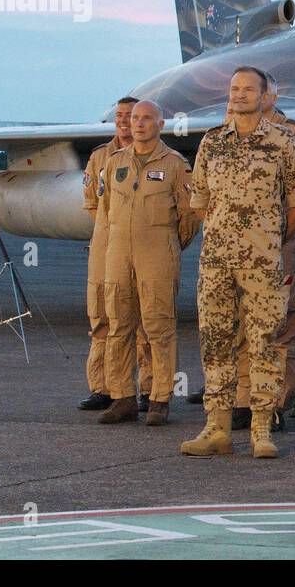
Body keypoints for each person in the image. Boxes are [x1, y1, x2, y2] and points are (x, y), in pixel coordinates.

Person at [180, 67, 295, 459]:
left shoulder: (283, 141)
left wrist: (269, 238)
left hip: (263, 263)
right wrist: (228, 236)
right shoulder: (212, 142)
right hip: (216, 263)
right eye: (234, 88)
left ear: (265, 95)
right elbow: (201, 204)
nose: (238, 95)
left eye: (248, 89)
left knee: (265, 343)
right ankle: (217, 428)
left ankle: (260, 430)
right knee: (215, 342)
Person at [96, 101, 199, 426]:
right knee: (118, 326)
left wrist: (166, 246)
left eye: (146, 119)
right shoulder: (114, 163)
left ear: (160, 124)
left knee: (158, 327)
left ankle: (158, 399)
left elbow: (188, 217)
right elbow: (107, 208)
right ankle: (122, 397)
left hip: (157, 254)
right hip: (118, 254)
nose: (138, 124)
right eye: (134, 118)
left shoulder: (175, 165)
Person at [79, 97, 152, 411]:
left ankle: (149, 391)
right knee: (102, 318)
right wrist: (114, 233)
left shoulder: (163, 158)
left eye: (132, 115)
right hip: (106, 250)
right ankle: (104, 388)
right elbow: (93, 203)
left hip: (145, 252)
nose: (125, 121)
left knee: (146, 322)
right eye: (120, 116)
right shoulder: (99, 158)